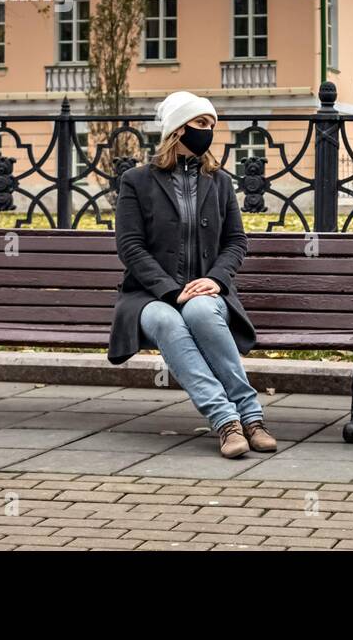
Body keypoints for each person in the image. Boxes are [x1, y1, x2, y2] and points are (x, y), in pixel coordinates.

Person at [108, 90, 277, 459]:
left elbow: (236, 242)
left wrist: (216, 280)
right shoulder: (137, 182)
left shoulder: (218, 182)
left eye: (212, 125)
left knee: (200, 311)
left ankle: (252, 416)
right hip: (148, 297)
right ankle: (228, 422)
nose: (208, 131)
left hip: (207, 292)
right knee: (169, 320)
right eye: (201, 123)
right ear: (177, 130)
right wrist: (170, 292)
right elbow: (130, 247)